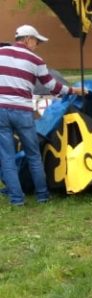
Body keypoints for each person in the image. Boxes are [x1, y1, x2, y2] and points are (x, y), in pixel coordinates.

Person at [0, 25, 86, 206]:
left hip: (1, 110)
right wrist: (75, 90)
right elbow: (54, 87)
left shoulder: (2, 52)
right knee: (33, 155)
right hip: (23, 111)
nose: (37, 45)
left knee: (6, 157)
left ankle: (17, 200)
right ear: (27, 39)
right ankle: (42, 195)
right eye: (36, 41)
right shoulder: (36, 60)